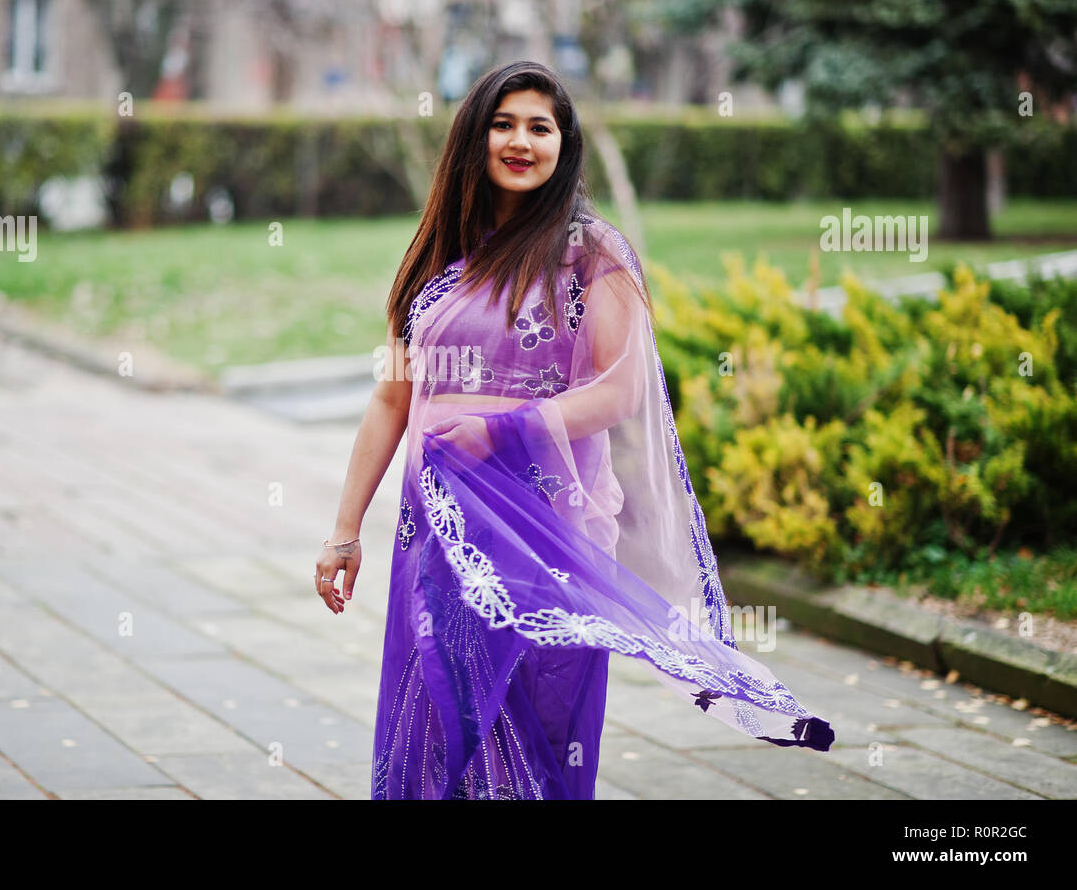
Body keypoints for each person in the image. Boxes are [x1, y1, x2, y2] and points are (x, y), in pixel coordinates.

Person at [314, 60, 834, 801]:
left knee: (534, 724)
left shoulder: (589, 254)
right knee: (434, 721)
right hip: (434, 535)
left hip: (547, 533)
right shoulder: (438, 256)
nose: (520, 140)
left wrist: (502, 430)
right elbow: (392, 400)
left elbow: (618, 390)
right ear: (474, 137)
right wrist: (343, 530)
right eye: (504, 124)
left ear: (565, 144)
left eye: (540, 126)